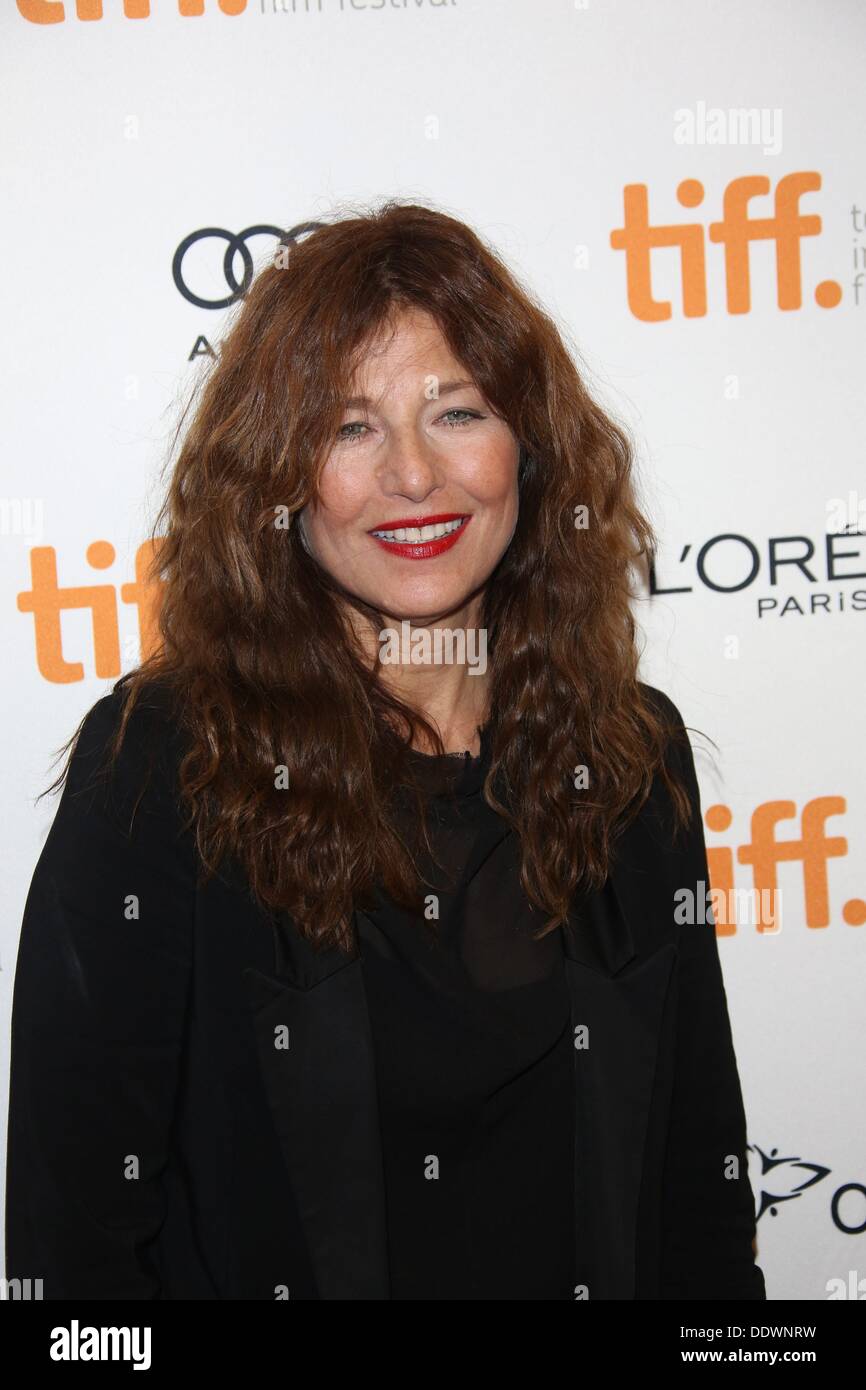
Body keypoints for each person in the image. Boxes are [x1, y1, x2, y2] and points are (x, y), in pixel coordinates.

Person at [4, 199, 766, 1300]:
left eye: (454, 412)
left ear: (529, 449)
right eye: (350, 427)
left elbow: (698, 1186)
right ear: (279, 479)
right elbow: (76, 1244)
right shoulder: (168, 770)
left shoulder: (627, 758)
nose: (412, 476)